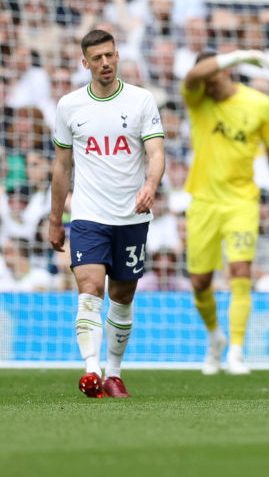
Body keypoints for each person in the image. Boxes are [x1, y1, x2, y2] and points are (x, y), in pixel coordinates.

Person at [48, 29, 166, 398]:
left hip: (131, 216)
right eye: (97, 58)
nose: (105, 63)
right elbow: (61, 168)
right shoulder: (69, 106)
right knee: (90, 288)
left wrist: (150, 186)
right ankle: (92, 370)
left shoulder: (141, 100)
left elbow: (157, 153)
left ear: (117, 57)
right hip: (88, 215)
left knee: (123, 296)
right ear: (85, 63)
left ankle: (114, 372)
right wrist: (55, 220)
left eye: (110, 56)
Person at [183, 47, 269, 375]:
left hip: (242, 202)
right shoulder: (197, 98)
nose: (207, 86)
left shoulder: (259, 105)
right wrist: (240, 54)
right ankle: (214, 338)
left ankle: (236, 351)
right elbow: (192, 77)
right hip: (203, 202)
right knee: (200, 281)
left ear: (225, 74)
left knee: (239, 274)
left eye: (212, 79)